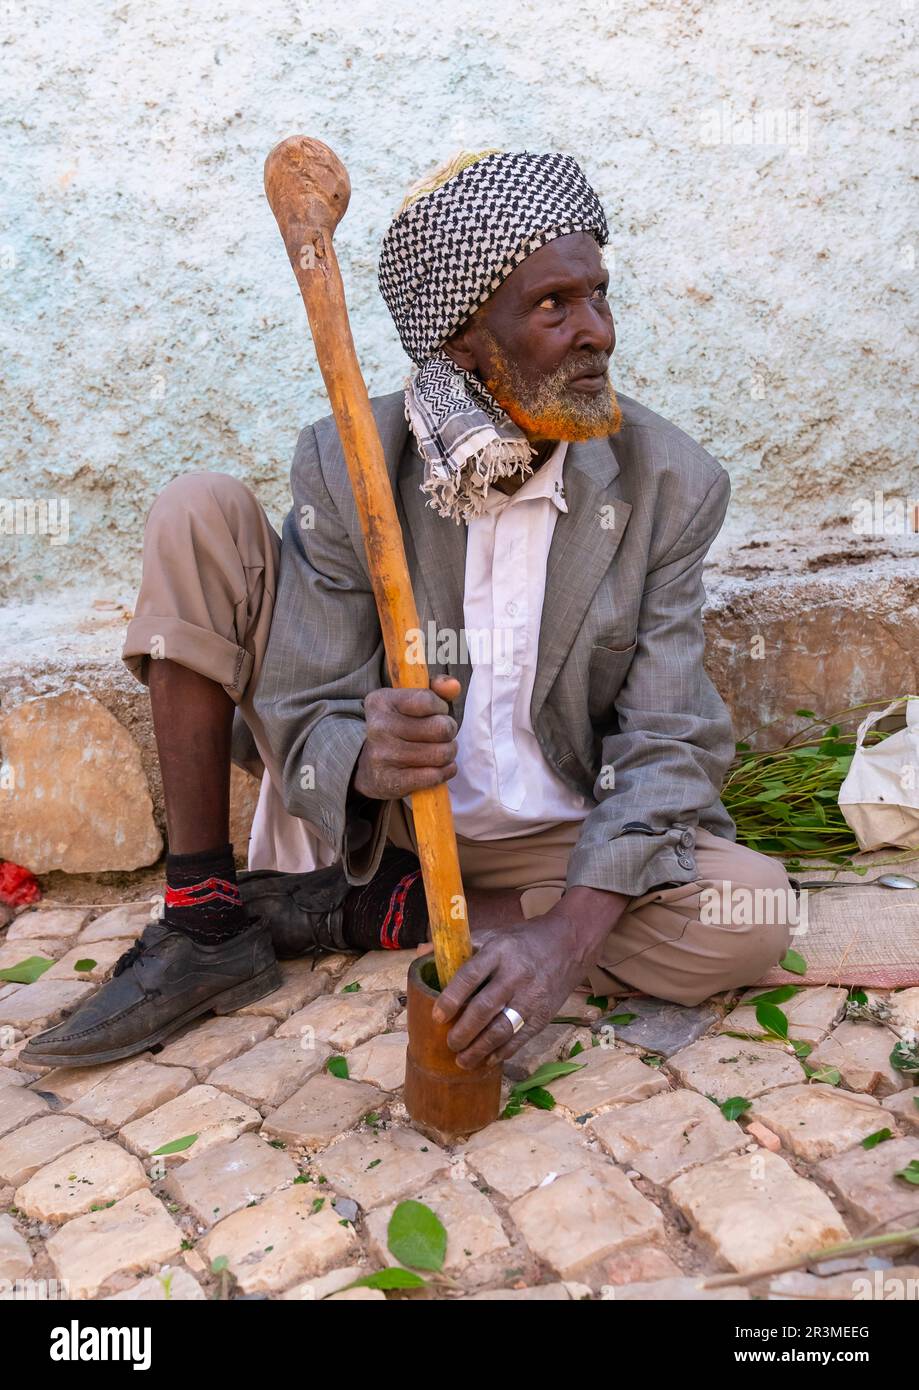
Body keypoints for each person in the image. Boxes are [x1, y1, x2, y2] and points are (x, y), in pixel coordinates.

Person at [20, 149, 792, 1073]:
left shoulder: (670, 481)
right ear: (462, 335)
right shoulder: (352, 460)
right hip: (382, 823)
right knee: (199, 506)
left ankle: (355, 912)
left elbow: (668, 742)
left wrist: (565, 944)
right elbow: (305, 700)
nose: (598, 332)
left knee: (752, 916)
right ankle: (206, 919)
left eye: (597, 293)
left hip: (549, 844)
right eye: (553, 305)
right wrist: (363, 755)